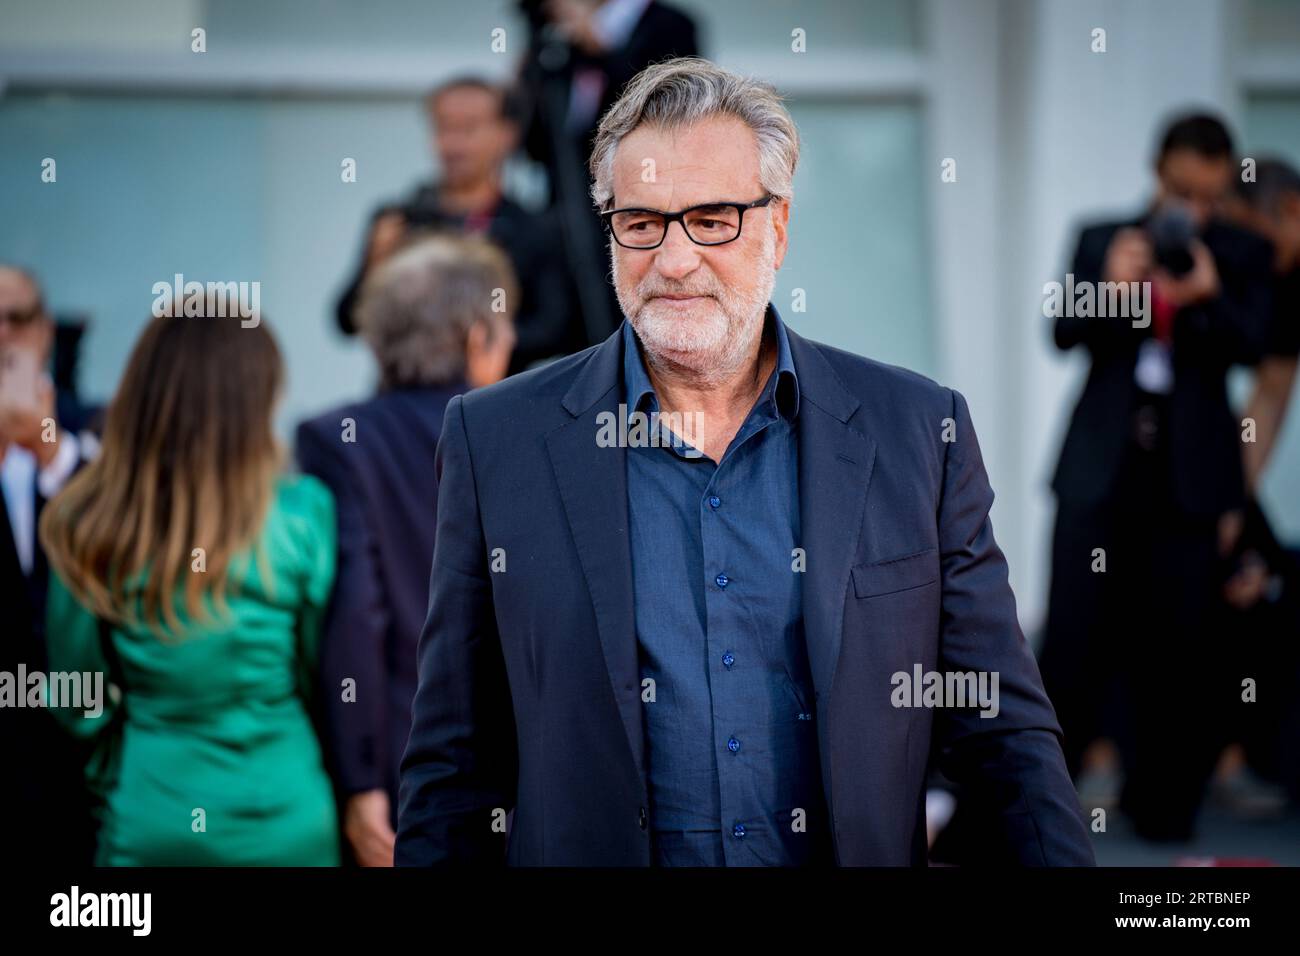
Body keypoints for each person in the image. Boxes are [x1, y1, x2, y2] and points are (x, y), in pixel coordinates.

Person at [396, 57, 1094, 866]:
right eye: (642, 222)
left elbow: (1003, 735)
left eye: (712, 219)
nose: (674, 260)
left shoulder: (916, 432)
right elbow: (454, 762)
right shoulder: (497, 440)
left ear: (778, 226)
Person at [1038, 113, 1275, 841]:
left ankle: (1165, 814)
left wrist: (1208, 295)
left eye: (1208, 196)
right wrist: (1111, 287)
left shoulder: (1241, 252)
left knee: (1180, 649)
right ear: (1157, 172)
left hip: (1189, 482)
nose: (1192, 210)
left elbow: (1259, 345)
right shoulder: (1103, 236)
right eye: (1181, 191)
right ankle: (1044, 810)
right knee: (1073, 638)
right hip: (1102, 471)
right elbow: (1062, 332)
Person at [40, 311, 340, 866]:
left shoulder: (86, 521)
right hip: (286, 814)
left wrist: (122, 777)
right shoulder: (304, 514)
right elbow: (319, 672)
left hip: (151, 816)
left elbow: (76, 700)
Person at [298, 235, 517, 867]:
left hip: (399, 758)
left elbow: (355, 619)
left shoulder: (337, 440)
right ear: (476, 339)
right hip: (516, 760)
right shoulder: (520, 437)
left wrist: (361, 781)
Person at [335, 77, 575, 374]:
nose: (453, 144)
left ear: (507, 135)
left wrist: (468, 340)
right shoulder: (399, 220)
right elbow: (346, 321)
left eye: (469, 129)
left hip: (496, 393)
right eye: (443, 128)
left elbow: (554, 329)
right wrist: (376, 265)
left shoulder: (534, 230)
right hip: (404, 392)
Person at [0, 265, 98, 864]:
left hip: (82, 745)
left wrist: (46, 449)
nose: (3, 335)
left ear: (43, 330)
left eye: (17, 318)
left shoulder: (93, 425)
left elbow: (119, 537)